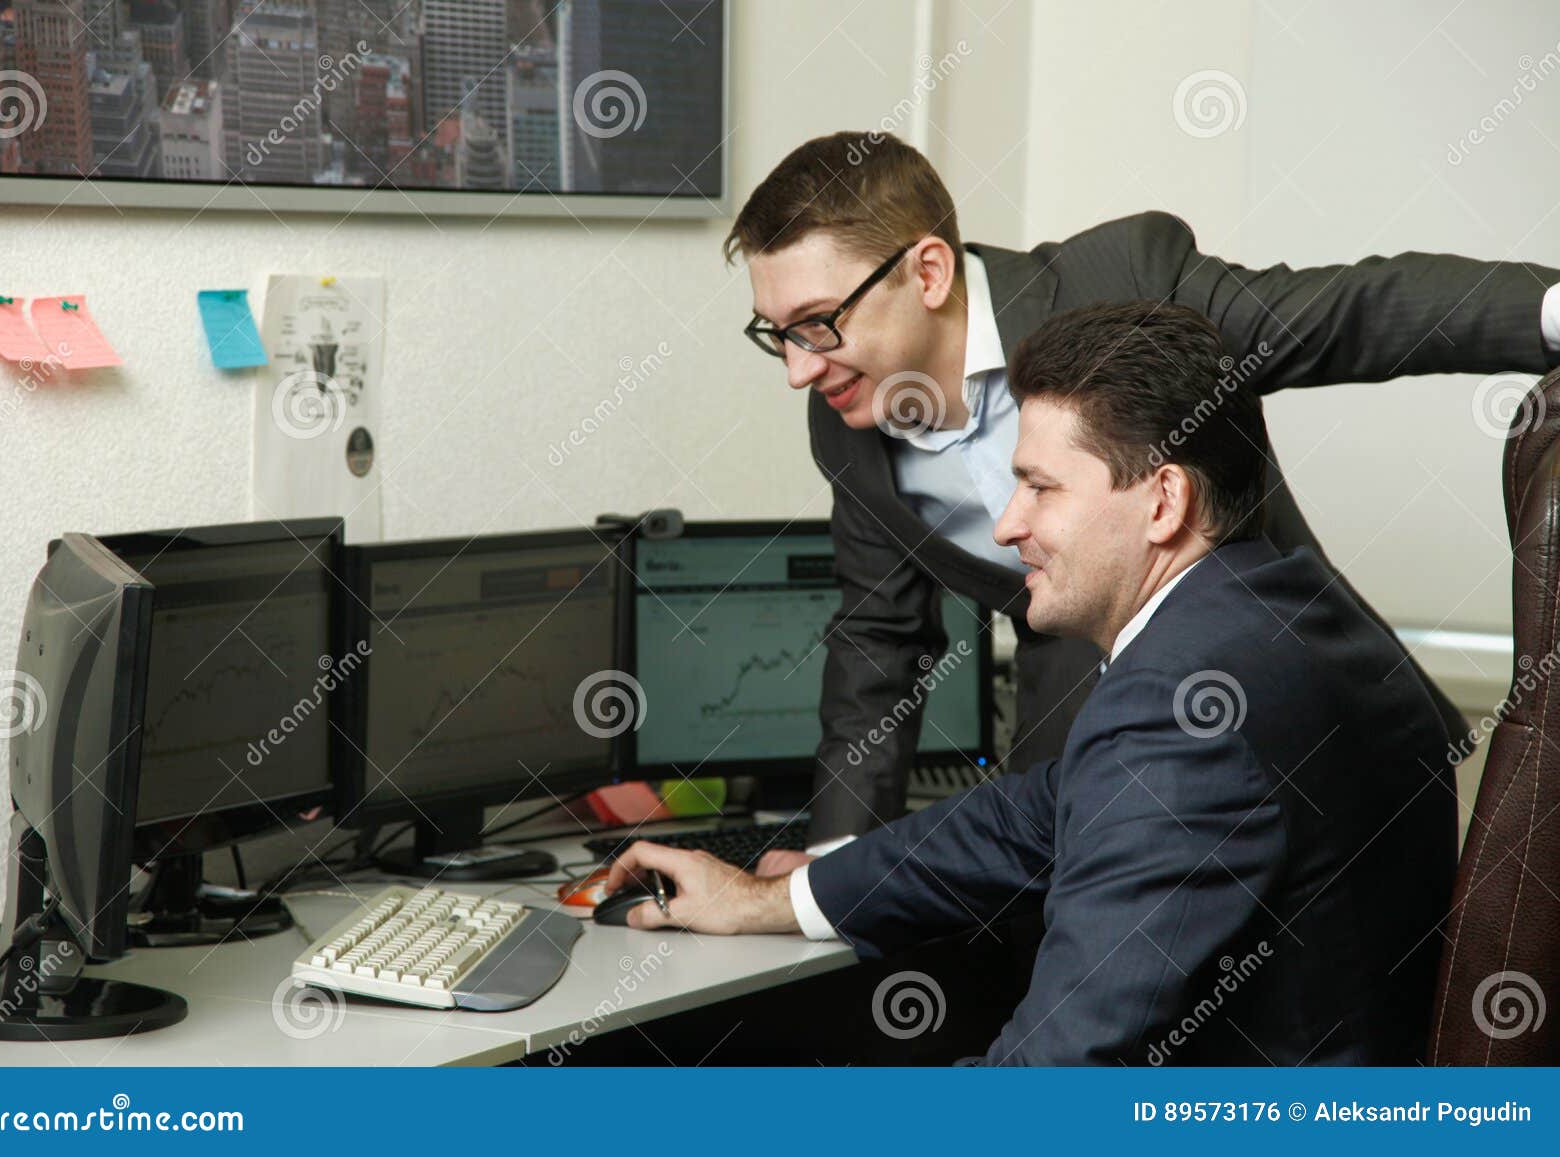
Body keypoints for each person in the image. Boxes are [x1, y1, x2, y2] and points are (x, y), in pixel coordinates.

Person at [608, 303, 1459, 1065]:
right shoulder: (1297, 611)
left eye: (1039, 487)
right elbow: (1030, 817)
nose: (1008, 525)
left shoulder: (1177, 707)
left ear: (1163, 501)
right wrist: (773, 897)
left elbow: (1057, 1080)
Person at [728, 132, 1558, 870]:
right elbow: (880, 636)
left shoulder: (1115, 281)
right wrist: (834, 864)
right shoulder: (844, 422)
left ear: (929, 271)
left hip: (1295, 735)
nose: (800, 369)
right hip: (1079, 755)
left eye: (816, 323)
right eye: (777, 337)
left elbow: (1350, 314)